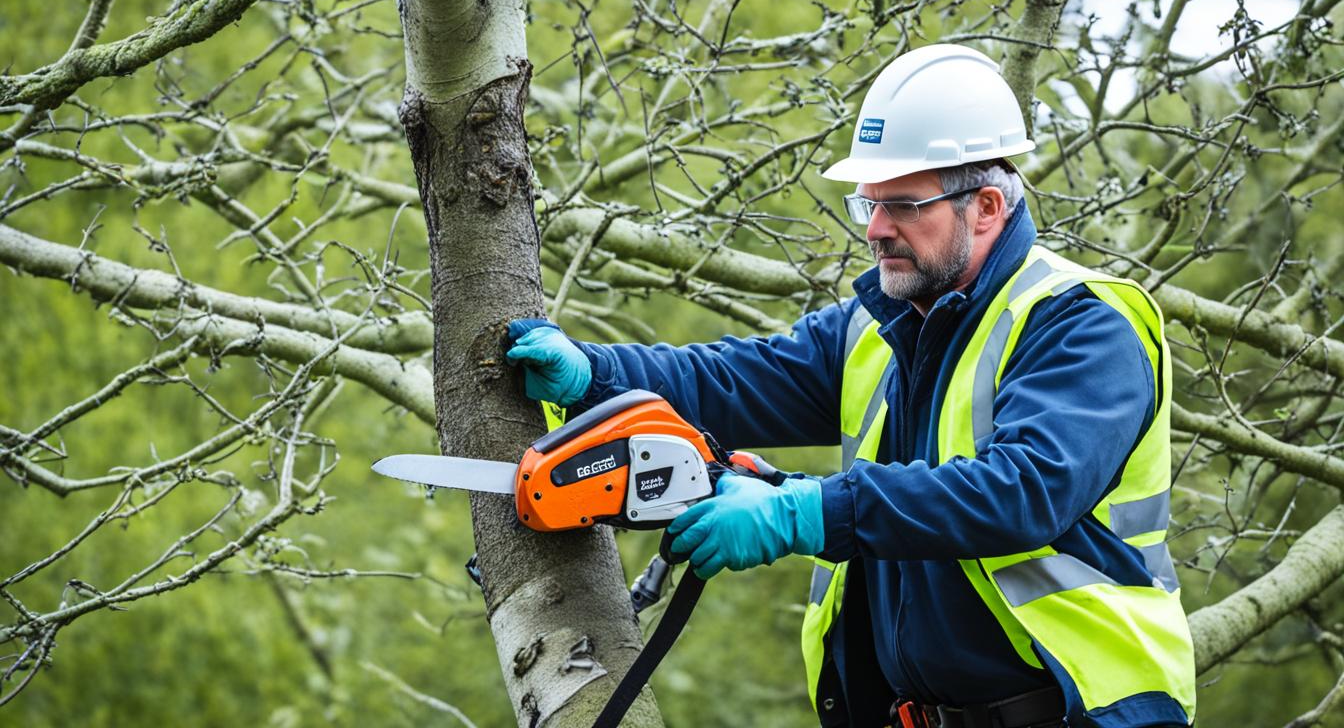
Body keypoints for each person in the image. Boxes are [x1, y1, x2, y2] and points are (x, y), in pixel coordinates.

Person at [505, 44, 1196, 728]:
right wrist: (594, 376)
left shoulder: (1082, 324)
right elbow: (732, 380)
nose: (874, 228)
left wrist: (805, 514)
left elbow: (1021, 492)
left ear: (986, 207)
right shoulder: (879, 324)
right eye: (867, 201)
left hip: (1082, 714)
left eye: (902, 204)